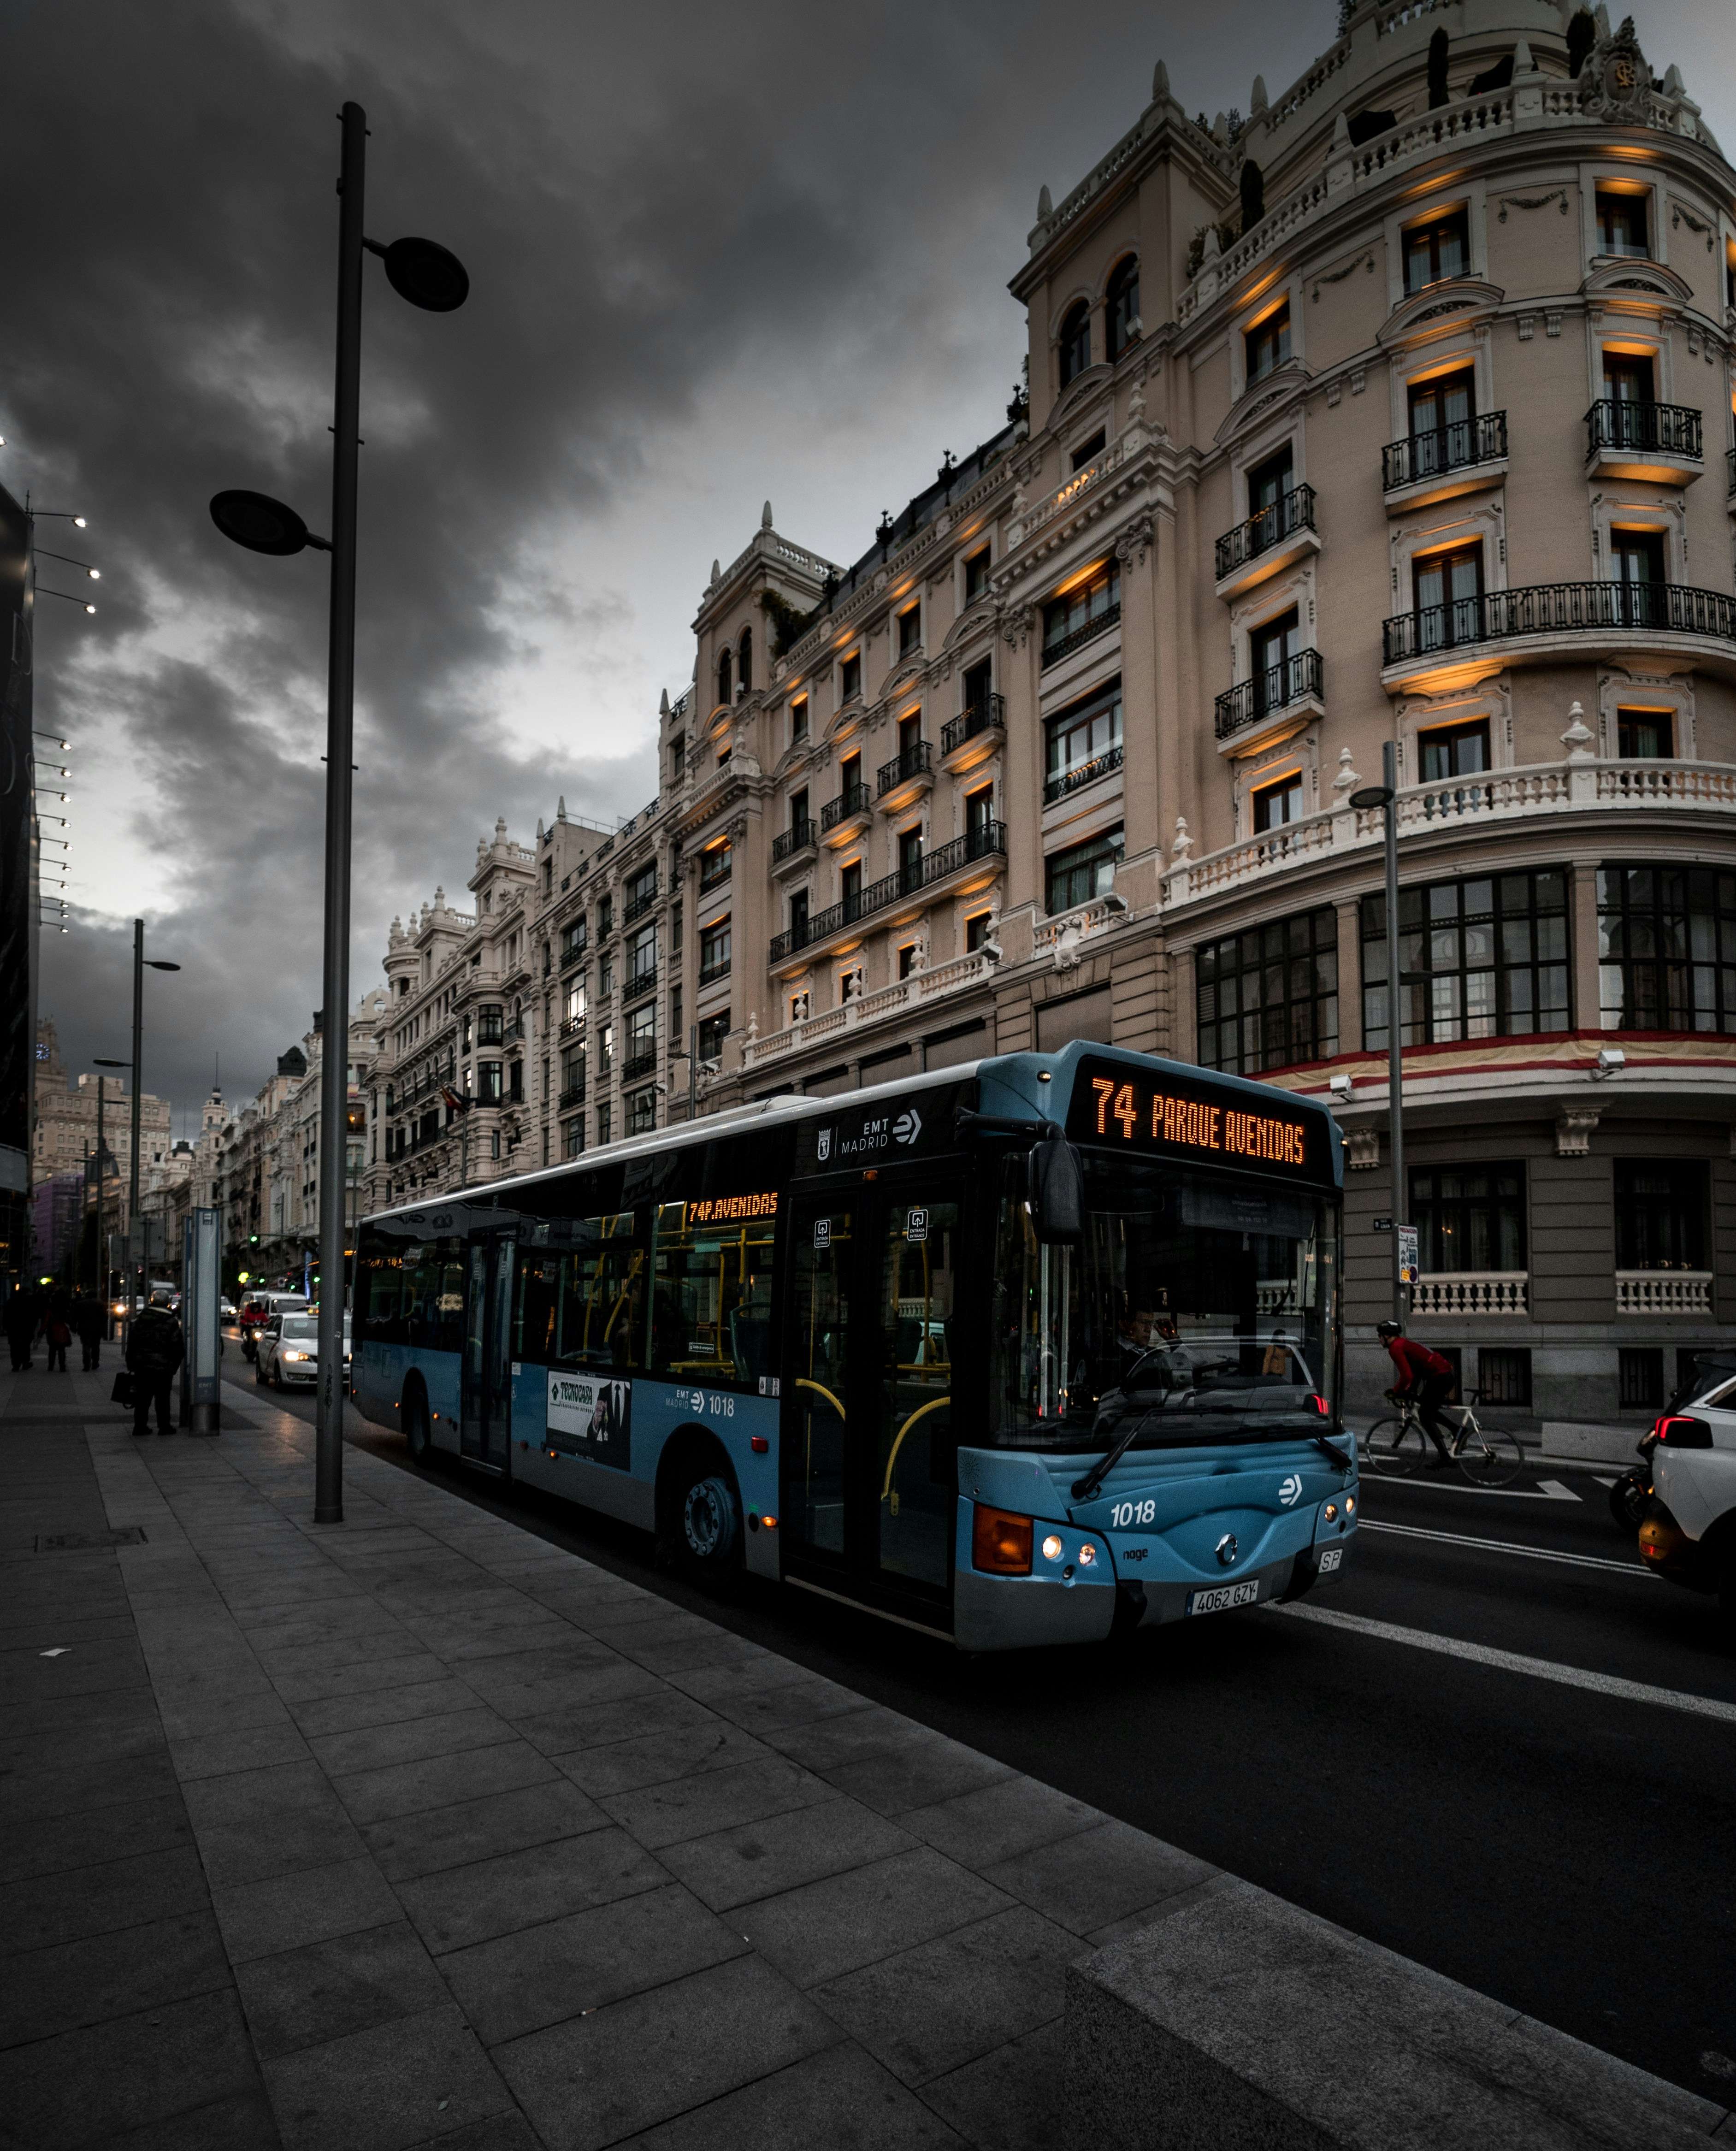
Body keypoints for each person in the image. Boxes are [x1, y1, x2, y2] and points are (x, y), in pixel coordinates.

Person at [1377, 1318, 1456, 1466]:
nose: (1379, 1339)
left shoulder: (1395, 1348)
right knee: (1428, 1410)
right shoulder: (1403, 1344)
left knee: (1425, 1416)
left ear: (1387, 1336)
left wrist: (1395, 1392)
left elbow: (1407, 1375)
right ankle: (1457, 1431)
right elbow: (1416, 1371)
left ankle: (1445, 1456)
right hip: (1442, 1376)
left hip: (1439, 1378)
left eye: (1380, 1336)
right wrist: (1410, 1392)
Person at [125, 1300, 184, 1437]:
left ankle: (140, 1427)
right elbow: (177, 1347)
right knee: (163, 1398)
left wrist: (131, 1364)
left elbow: (132, 1345)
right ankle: (164, 1426)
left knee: (142, 1398)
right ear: (166, 1304)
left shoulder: (139, 1321)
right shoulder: (171, 1322)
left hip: (142, 1367)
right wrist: (174, 1366)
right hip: (163, 1368)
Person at [4, 1288, 37, 1373]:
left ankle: (16, 1365)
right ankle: (25, 1363)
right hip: (26, 1329)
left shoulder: (10, 1302)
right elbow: (33, 1317)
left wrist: (6, 1327)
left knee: (14, 1347)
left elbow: (5, 1316)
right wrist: (33, 1328)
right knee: (25, 1347)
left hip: (13, 1329)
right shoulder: (29, 1302)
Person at [74, 1292, 105, 1371]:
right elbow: (105, 1317)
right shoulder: (100, 1304)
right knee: (96, 1346)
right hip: (97, 1329)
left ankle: (87, 1365)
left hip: (84, 1328)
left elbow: (75, 1316)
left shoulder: (80, 1304)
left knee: (86, 1346)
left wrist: (74, 1327)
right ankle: (95, 1363)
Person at [42, 1297, 72, 1373]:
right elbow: (70, 1321)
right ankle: (62, 1366)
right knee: (62, 1350)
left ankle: (51, 1366)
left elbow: (46, 1322)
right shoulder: (65, 1310)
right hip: (63, 1330)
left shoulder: (50, 1310)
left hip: (52, 1331)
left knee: (52, 1350)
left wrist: (41, 1332)